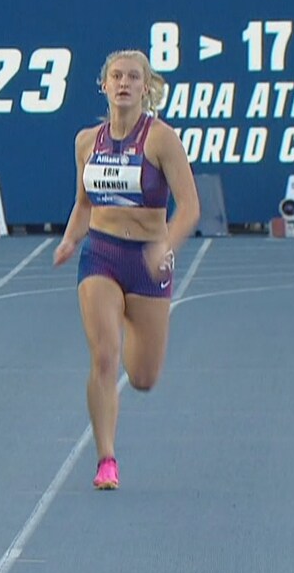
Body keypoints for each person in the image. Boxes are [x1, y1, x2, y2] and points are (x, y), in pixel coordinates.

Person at [51, 49, 200, 490]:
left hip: (148, 261)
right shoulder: (86, 141)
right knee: (103, 356)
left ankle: (137, 329)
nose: (123, 84)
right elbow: (83, 204)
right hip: (101, 253)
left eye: (133, 77)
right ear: (103, 84)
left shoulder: (161, 140)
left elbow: (191, 206)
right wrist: (70, 238)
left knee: (142, 377)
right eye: (116, 75)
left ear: (145, 87)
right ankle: (106, 458)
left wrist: (166, 246)